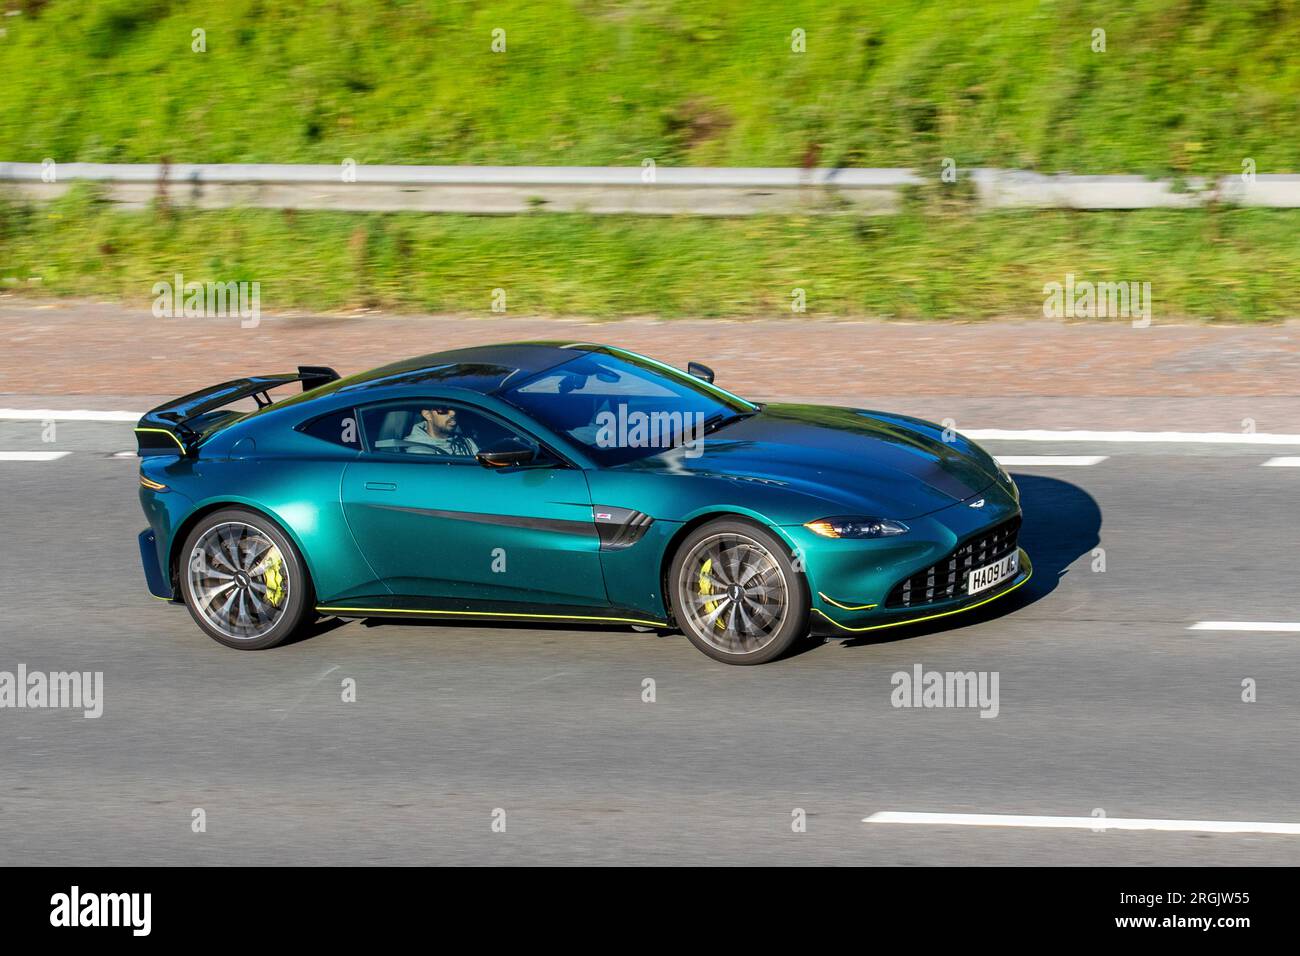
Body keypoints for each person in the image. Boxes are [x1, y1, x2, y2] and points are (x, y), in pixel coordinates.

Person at [405, 407, 479, 457]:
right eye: (443, 409)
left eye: (454, 408)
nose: (453, 413)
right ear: (427, 415)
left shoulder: (465, 441)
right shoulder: (418, 452)